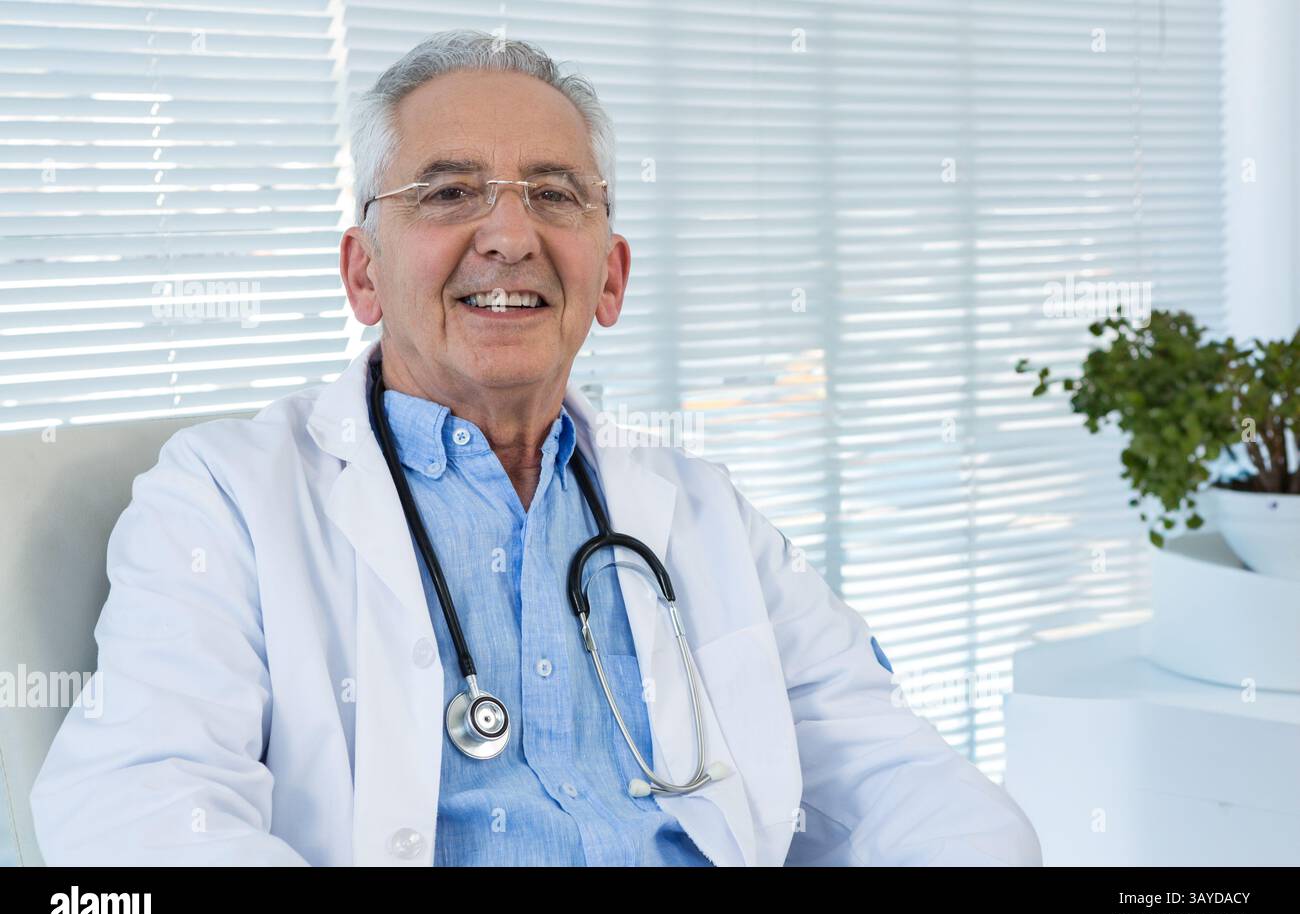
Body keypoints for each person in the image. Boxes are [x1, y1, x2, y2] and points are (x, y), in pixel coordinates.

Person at [31, 29, 1041, 866]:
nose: (508, 234)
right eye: (446, 191)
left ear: (609, 276)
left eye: (556, 194)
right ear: (362, 273)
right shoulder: (226, 501)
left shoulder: (700, 509)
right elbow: (137, 814)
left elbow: (899, 775)